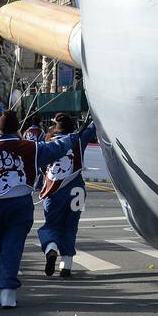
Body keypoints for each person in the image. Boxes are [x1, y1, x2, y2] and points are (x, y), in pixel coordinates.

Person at [0, 110, 53, 308]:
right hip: (20, 204)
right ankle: (8, 292)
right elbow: (56, 149)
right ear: (17, 128)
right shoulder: (31, 147)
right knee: (12, 247)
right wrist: (75, 138)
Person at [37, 113, 97, 279]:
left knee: (51, 225)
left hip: (53, 190)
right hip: (77, 190)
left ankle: (51, 249)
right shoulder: (78, 140)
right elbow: (93, 126)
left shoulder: (46, 143)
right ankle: (67, 264)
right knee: (71, 226)